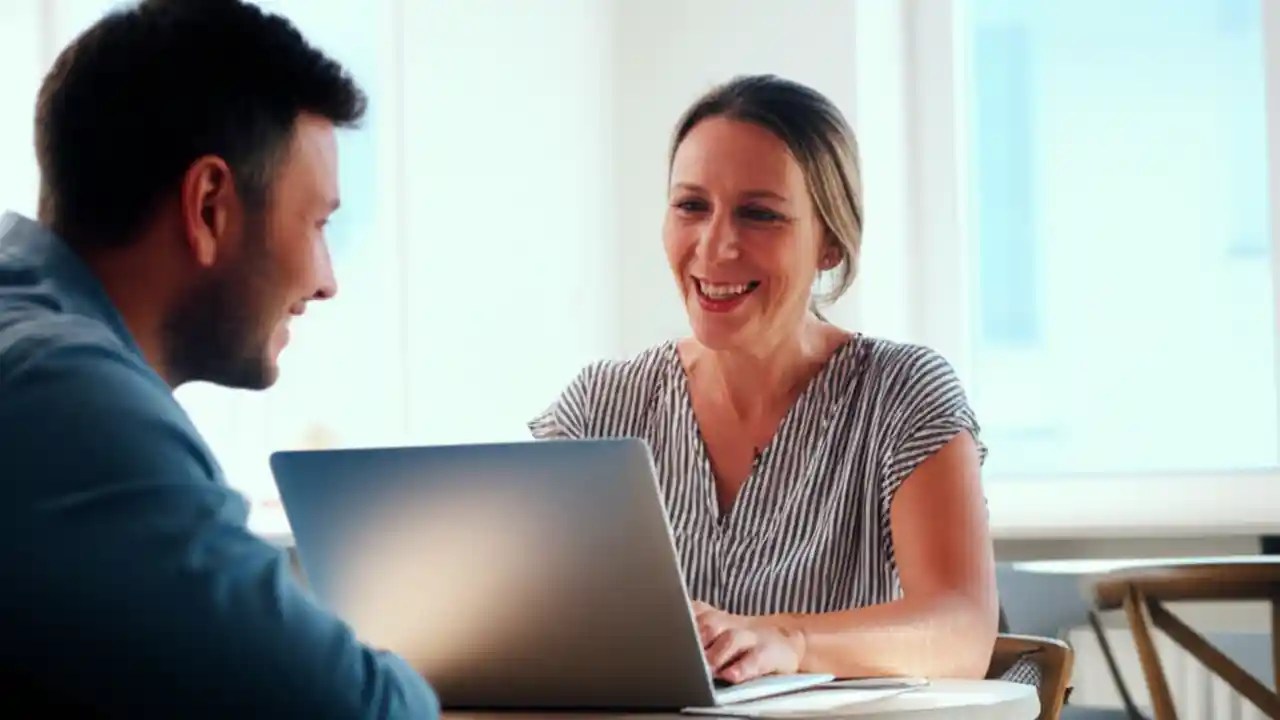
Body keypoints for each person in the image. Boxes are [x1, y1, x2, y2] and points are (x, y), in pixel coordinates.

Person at [0, 0, 438, 716]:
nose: (328, 280)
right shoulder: (67, 399)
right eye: (319, 223)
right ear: (208, 207)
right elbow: (360, 709)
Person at [532, 74, 1032, 686]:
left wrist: (789, 640)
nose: (715, 246)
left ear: (829, 243)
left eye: (760, 214)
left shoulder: (902, 393)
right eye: (691, 206)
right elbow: (526, 615)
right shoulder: (599, 408)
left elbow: (961, 632)